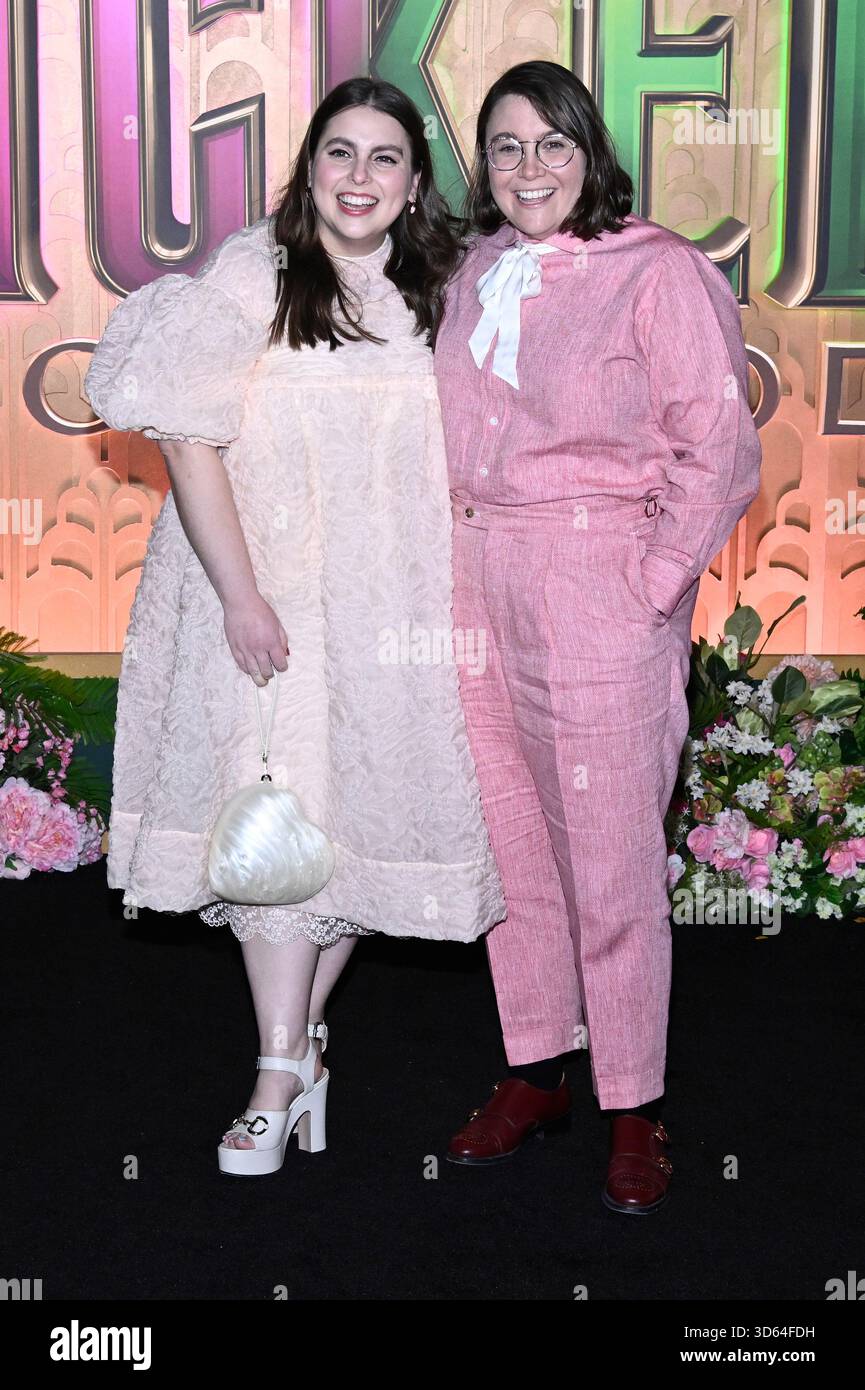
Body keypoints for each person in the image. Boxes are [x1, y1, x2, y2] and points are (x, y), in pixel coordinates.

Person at [84, 77, 505, 1177]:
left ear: (416, 187)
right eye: (337, 153)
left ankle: (300, 1048)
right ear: (306, 169)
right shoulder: (248, 273)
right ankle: (276, 1071)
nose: (357, 177)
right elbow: (185, 438)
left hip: (398, 605)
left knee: (354, 829)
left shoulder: (449, 291)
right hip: (260, 596)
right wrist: (239, 596)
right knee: (271, 835)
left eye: (382, 158)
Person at [433, 61, 762, 1212]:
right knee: (512, 844)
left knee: (613, 855)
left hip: (598, 584)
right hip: (475, 583)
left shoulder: (657, 270)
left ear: (590, 152)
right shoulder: (475, 270)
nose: (529, 168)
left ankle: (634, 1105)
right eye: (506, 146)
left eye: (551, 144)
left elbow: (718, 444)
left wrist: (650, 590)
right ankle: (537, 1069)